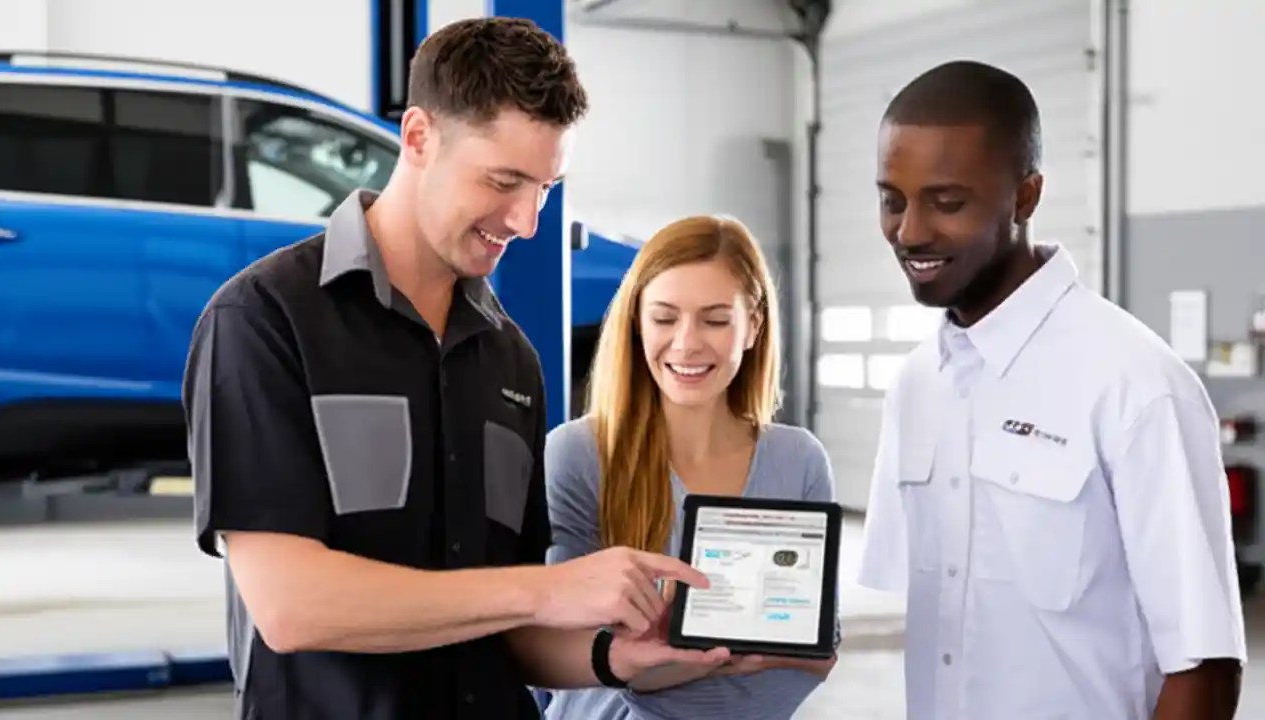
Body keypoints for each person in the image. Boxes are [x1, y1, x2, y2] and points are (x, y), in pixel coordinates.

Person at [181, 18, 727, 720]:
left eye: (546, 188)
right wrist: (545, 591)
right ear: (418, 137)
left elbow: (511, 631)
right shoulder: (264, 321)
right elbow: (291, 608)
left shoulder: (511, 360)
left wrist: (617, 657)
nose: (527, 220)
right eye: (504, 180)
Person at [856, 59, 1247, 719]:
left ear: (1025, 196)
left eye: (947, 201)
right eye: (893, 199)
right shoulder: (918, 383)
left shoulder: (1136, 385)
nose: (910, 231)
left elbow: (1204, 666)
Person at [541, 215, 840, 720]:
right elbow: (556, 653)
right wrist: (715, 654)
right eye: (664, 318)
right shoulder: (576, 454)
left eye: (715, 319)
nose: (686, 343)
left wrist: (680, 654)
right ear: (636, 322)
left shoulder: (799, 460)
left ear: (754, 326)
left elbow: (820, 647)